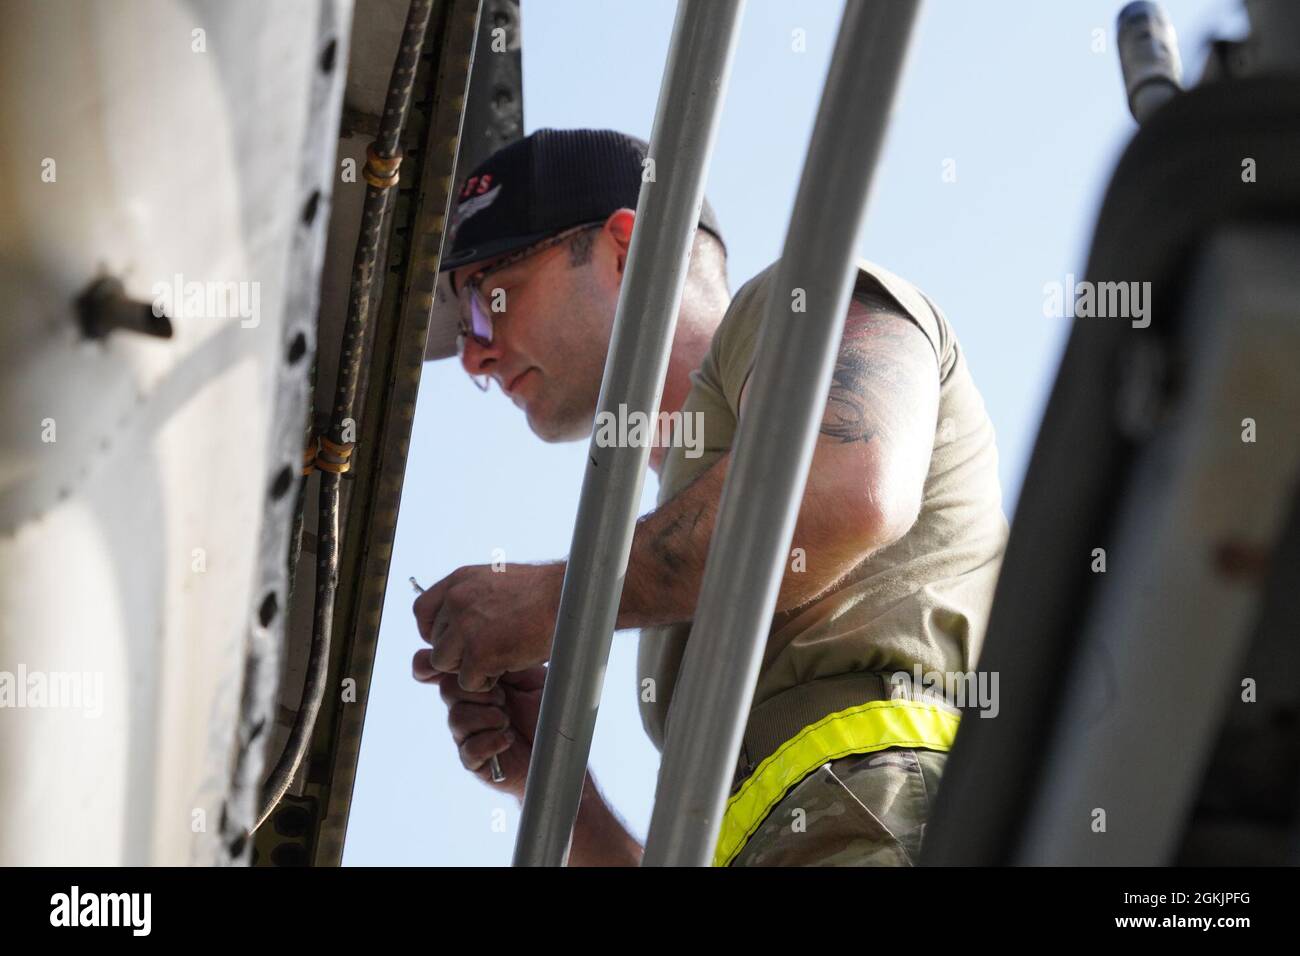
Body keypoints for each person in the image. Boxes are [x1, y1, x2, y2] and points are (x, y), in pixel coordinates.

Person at [412, 128, 1008, 866]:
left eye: (486, 294)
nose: (475, 351)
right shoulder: (684, 554)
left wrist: (551, 606)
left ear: (628, 248)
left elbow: (844, 486)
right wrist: (565, 798)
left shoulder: (795, 301)